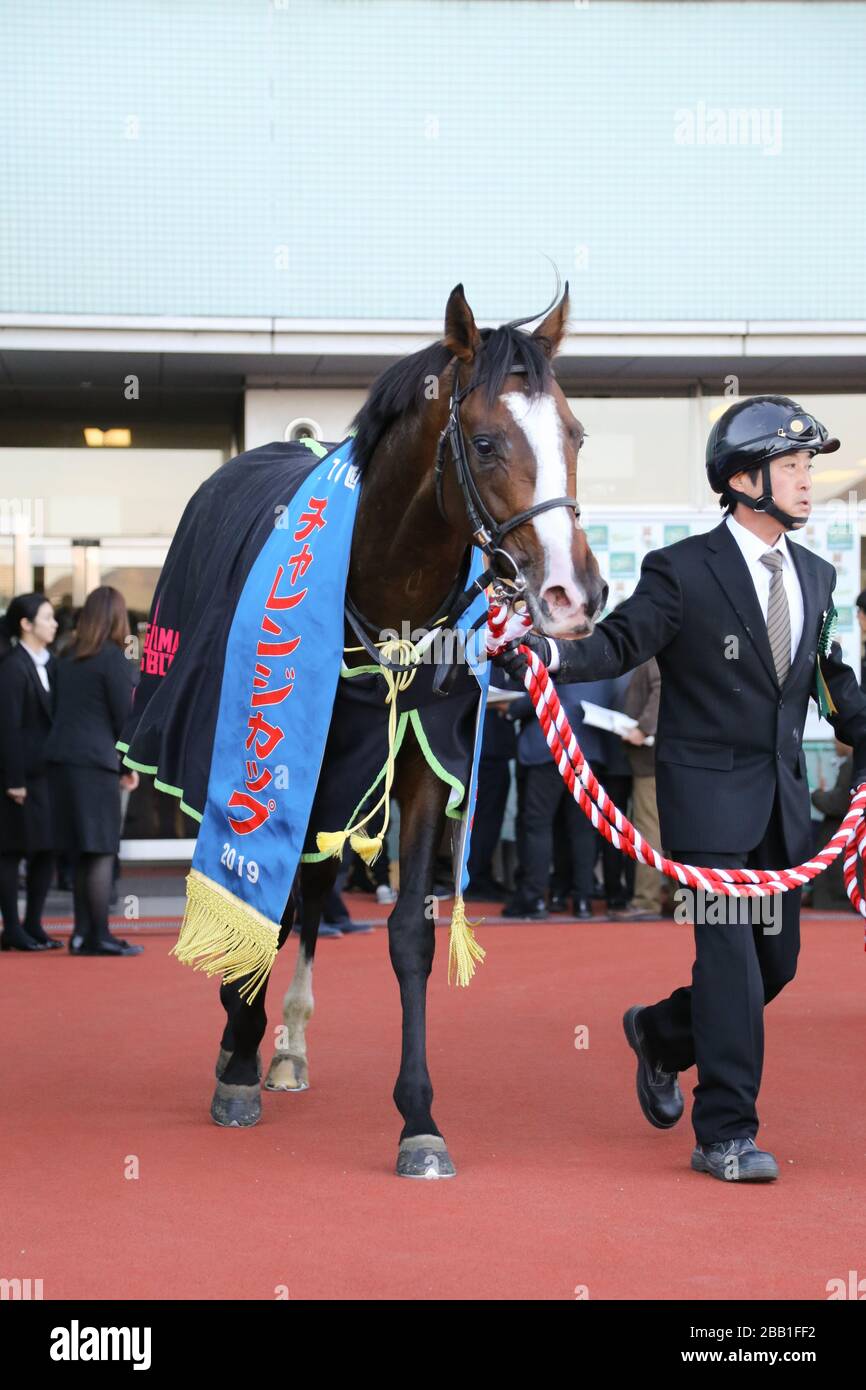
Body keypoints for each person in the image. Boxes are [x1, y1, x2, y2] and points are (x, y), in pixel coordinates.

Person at [498, 395, 866, 1183]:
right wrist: (547, 658)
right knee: (731, 964)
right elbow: (623, 641)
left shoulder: (818, 572)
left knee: (777, 967)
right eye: (794, 466)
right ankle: (725, 1133)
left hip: (780, 805)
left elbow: (827, 682)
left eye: (810, 466)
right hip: (706, 807)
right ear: (744, 479)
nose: (808, 481)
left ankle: (661, 1035)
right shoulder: (683, 568)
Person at [46, 587, 142, 957]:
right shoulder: (114, 659)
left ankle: (82, 934)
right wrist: (127, 766)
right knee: (101, 850)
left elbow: (55, 707)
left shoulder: (66, 656)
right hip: (96, 761)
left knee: (81, 851)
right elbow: (123, 719)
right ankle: (97, 935)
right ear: (118, 618)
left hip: (62, 761)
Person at [0, 593, 61, 950]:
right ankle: (13, 928)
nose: (54, 624)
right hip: (19, 777)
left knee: (46, 849)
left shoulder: (53, 663)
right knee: (12, 851)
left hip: (47, 775)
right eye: (48, 617)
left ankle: (34, 923)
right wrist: (14, 780)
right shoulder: (11, 666)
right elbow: (7, 727)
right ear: (26, 624)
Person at [614, 659, 664, 921]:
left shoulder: (655, 657)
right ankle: (684, 901)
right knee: (673, 830)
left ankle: (646, 900)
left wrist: (643, 729)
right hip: (666, 759)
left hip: (650, 759)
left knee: (649, 829)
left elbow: (660, 689)